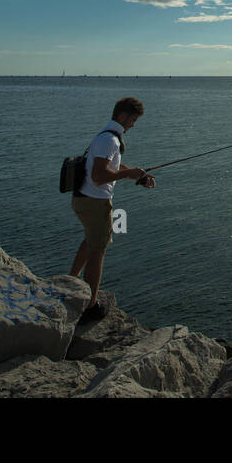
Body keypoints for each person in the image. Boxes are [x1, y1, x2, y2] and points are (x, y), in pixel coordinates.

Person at [69, 96, 154, 323]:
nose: (133, 125)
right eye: (133, 120)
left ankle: (71, 280)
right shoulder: (111, 141)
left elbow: (110, 168)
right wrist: (128, 173)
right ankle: (90, 306)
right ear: (123, 116)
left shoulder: (105, 135)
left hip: (82, 199)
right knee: (98, 250)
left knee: (90, 241)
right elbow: (99, 176)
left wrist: (138, 175)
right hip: (95, 203)